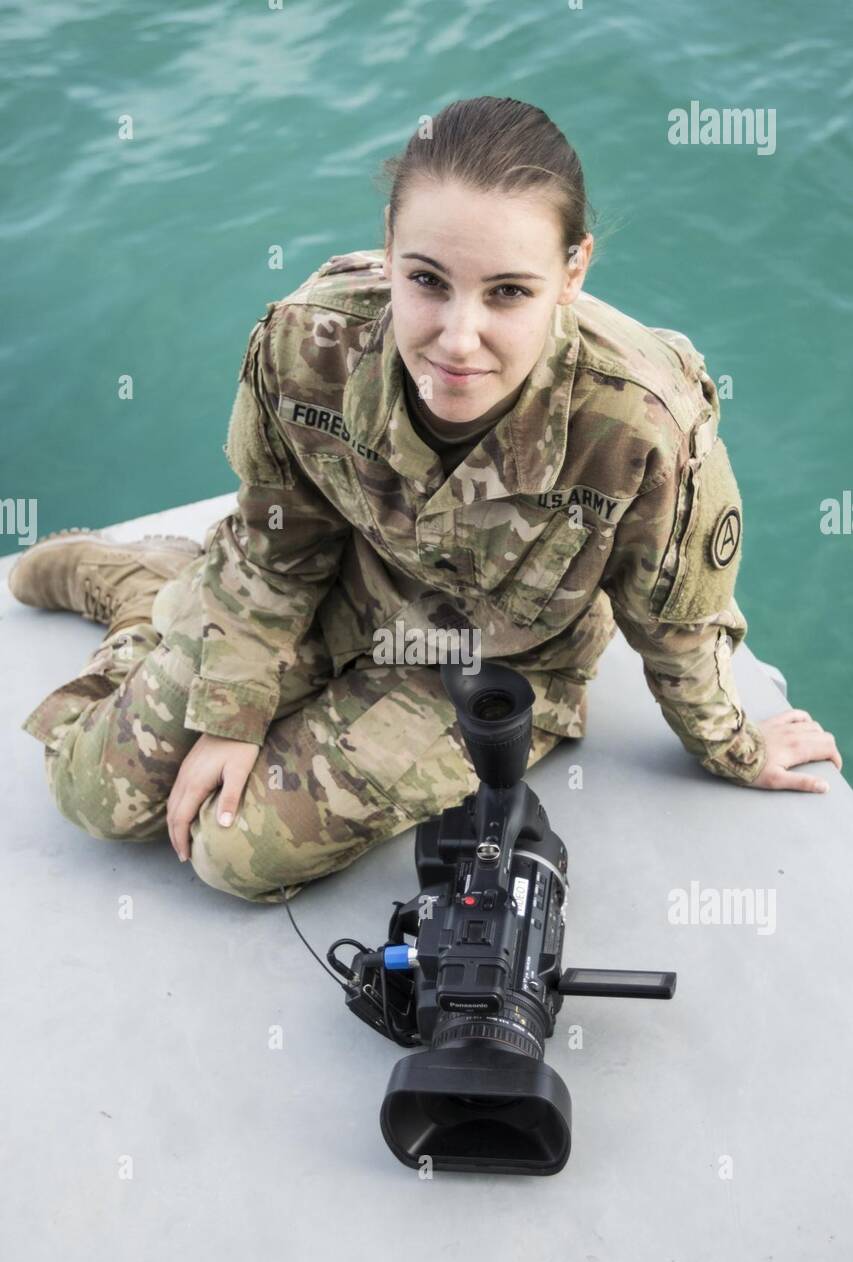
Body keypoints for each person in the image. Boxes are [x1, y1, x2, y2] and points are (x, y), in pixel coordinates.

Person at [9, 97, 842, 906]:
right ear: (387, 252)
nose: (456, 336)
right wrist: (232, 710)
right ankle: (144, 594)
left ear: (572, 272)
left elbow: (674, 628)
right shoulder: (311, 343)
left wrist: (731, 747)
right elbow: (276, 544)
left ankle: (158, 592)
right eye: (428, 281)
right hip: (339, 588)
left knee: (233, 854)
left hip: (491, 662)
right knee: (97, 797)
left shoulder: (641, 425)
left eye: (509, 292)